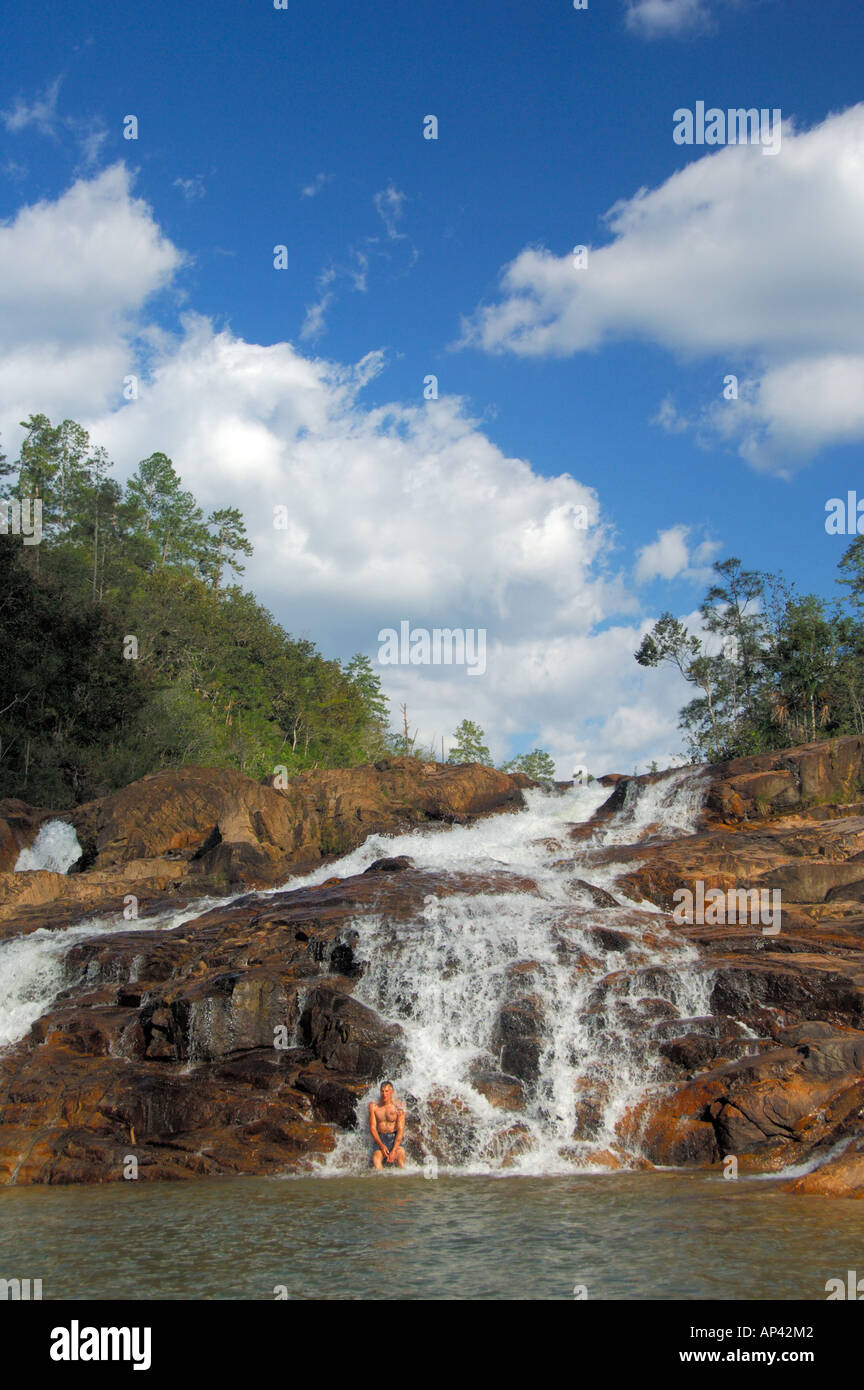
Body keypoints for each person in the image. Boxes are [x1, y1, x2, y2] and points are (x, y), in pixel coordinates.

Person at [368, 1081, 406, 1169]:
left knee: (400, 1159)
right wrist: (381, 1145)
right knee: (376, 1159)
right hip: (381, 1138)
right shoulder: (374, 1107)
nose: (384, 1094)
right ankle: (381, 1181)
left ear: (392, 1092)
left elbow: (400, 1129)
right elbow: (373, 1128)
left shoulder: (399, 1106)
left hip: (394, 1138)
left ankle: (403, 1181)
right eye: (382, 1091)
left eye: (386, 1091)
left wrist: (394, 1150)